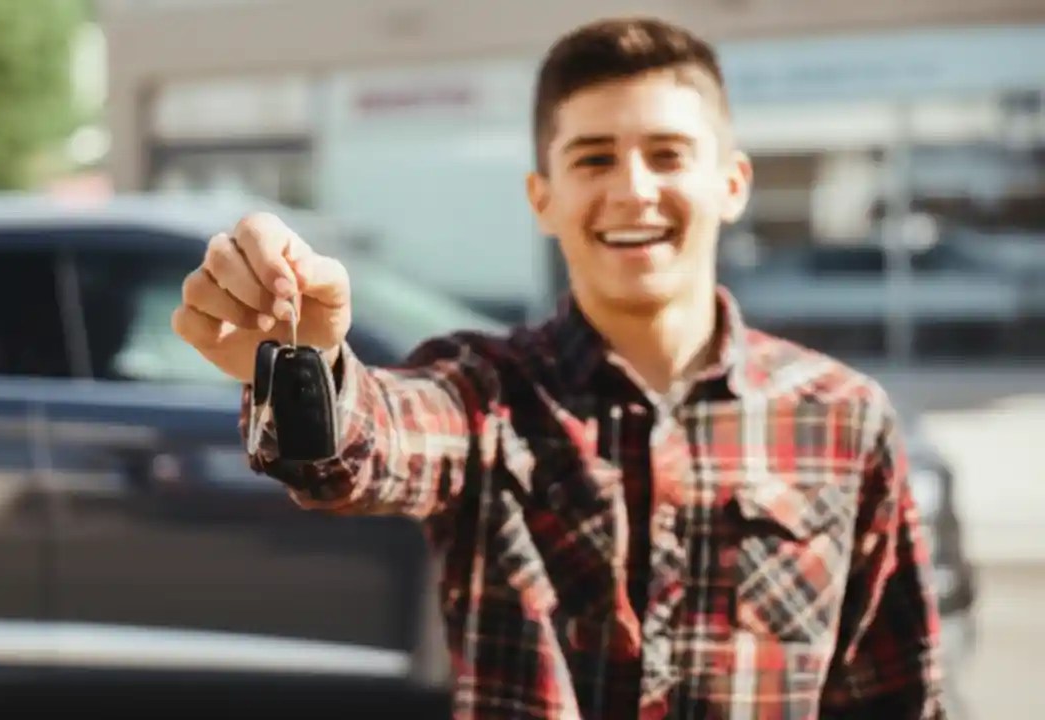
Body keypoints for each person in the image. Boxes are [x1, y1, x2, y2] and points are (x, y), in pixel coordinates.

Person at [171, 16, 945, 720]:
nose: (633, 189)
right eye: (594, 157)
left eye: (667, 154)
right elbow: (372, 444)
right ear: (542, 197)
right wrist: (305, 357)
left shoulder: (844, 418)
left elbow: (895, 693)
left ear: (732, 183)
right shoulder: (486, 392)